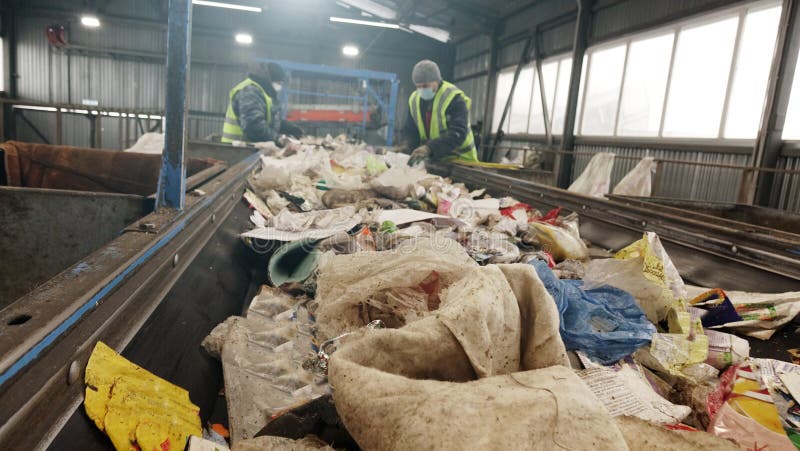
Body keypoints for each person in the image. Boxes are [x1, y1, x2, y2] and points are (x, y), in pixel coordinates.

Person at [399, 59, 479, 165]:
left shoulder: (453, 98)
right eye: (418, 86)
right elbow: (410, 130)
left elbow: (458, 133)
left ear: (436, 81)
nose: (421, 90)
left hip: (461, 161)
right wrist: (406, 146)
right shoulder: (414, 100)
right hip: (436, 161)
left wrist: (429, 148)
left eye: (425, 86)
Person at [222, 62, 303, 144]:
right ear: (269, 80)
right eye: (279, 83)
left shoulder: (264, 92)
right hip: (237, 148)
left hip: (248, 147)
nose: (280, 87)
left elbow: (268, 120)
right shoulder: (250, 91)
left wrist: (288, 127)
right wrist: (278, 139)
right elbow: (253, 126)